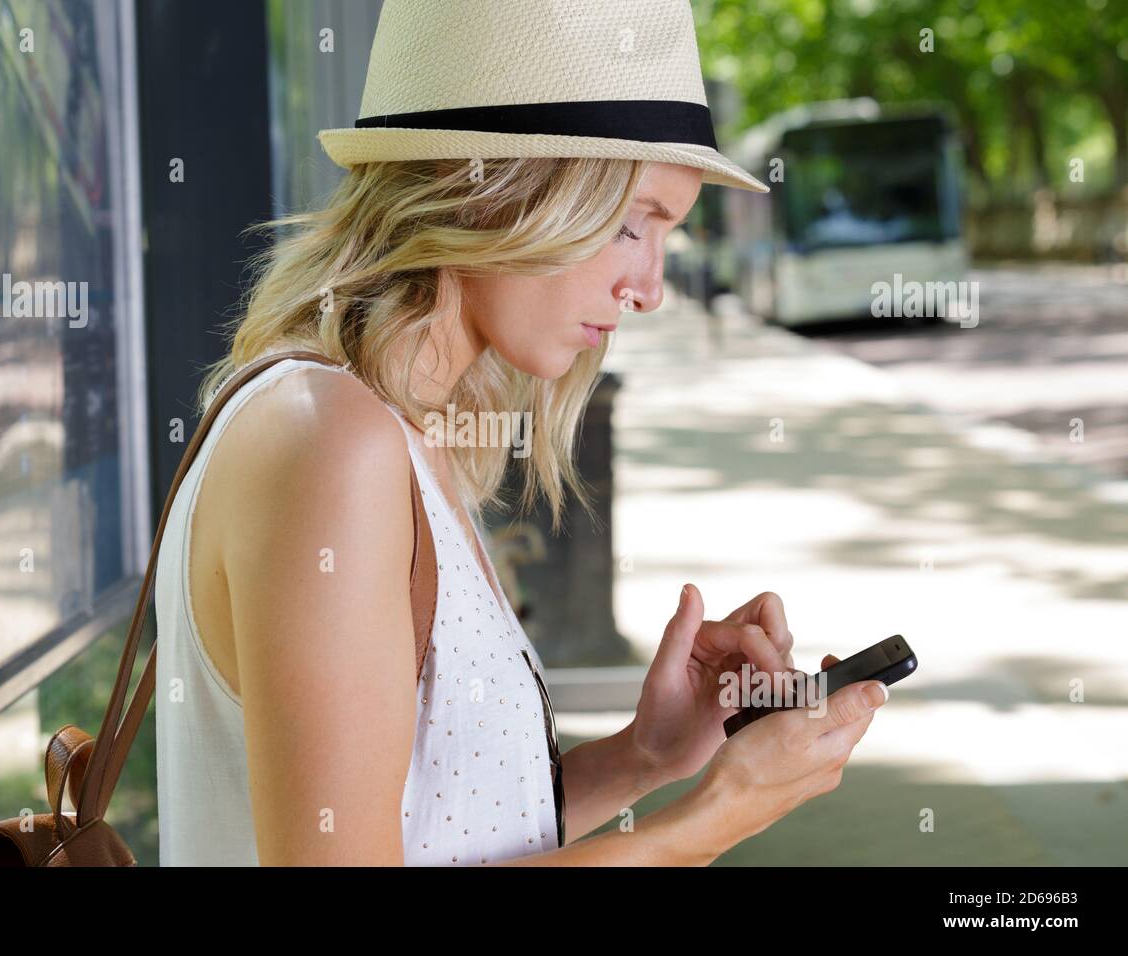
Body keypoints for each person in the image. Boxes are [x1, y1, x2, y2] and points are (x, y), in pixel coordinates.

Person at [154, 0, 889, 866]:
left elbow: (442, 833)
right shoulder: (330, 444)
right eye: (628, 224)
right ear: (490, 186)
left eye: (667, 234)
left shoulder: (395, 437)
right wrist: (712, 820)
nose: (649, 288)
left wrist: (643, 758)